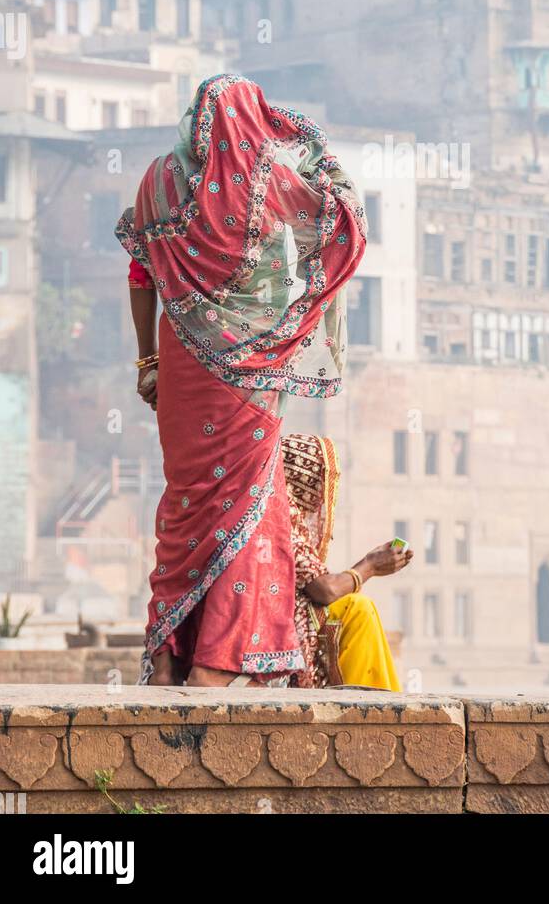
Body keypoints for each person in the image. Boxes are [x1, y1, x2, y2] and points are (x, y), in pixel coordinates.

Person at [115, 74, 366, 687]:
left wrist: (147, 362)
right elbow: (340, 220)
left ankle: (170, 649)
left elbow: (141, 274)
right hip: (249, 377)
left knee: (186, 503)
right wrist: (307, 139)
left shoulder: (160, 181)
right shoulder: (266, 181)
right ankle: (216, 661)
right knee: (245, 511)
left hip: (179, 368)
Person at [283, 432, 412, 689]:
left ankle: (379, 705)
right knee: (358, 609)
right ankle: (373, 710)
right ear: (303, 477)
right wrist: (370, 566)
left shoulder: (286, 517)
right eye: (322, 480)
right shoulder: (280, 516)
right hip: (273, 624)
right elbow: (324, 590)